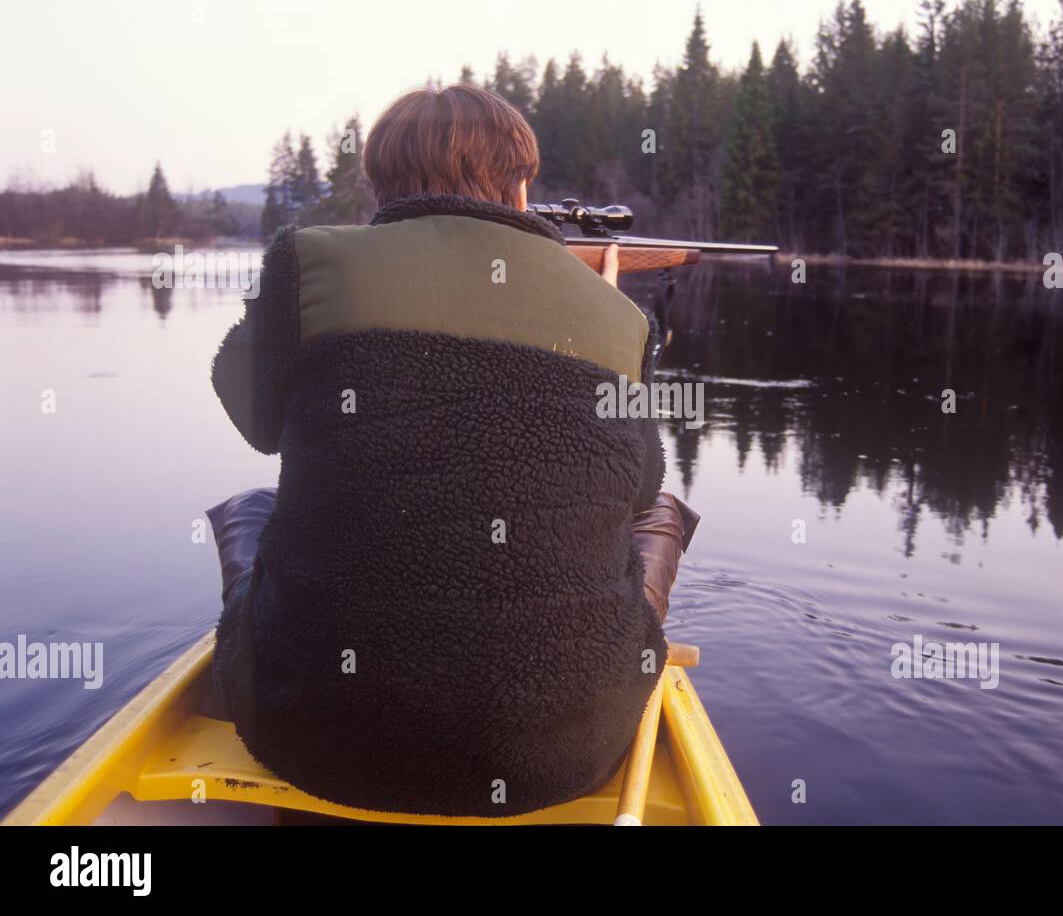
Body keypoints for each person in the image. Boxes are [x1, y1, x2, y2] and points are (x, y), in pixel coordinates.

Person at [206, 83, 698, 817]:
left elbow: (256, 419)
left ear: (380, 181)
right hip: (565, 750)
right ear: (522, 184)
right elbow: (639, 485)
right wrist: (601, 307)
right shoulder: (619, 319)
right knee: (659, 510)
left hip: (312, 735)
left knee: (250, 509)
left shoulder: (306, 261)